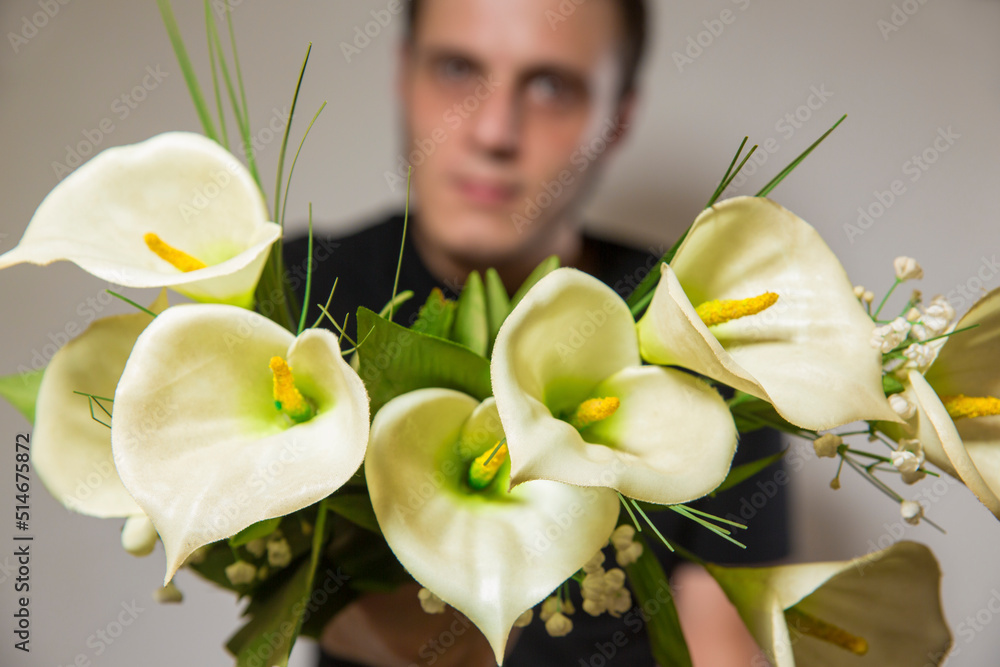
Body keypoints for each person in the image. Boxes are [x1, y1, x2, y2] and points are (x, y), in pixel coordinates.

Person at [284, 0, 790, 664]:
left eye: (552, 87)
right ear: (404, 75)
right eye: (459, 69)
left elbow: (722, 643)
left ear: (619, 118)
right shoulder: (303, 294)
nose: (494, 131)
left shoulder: (700, 327)